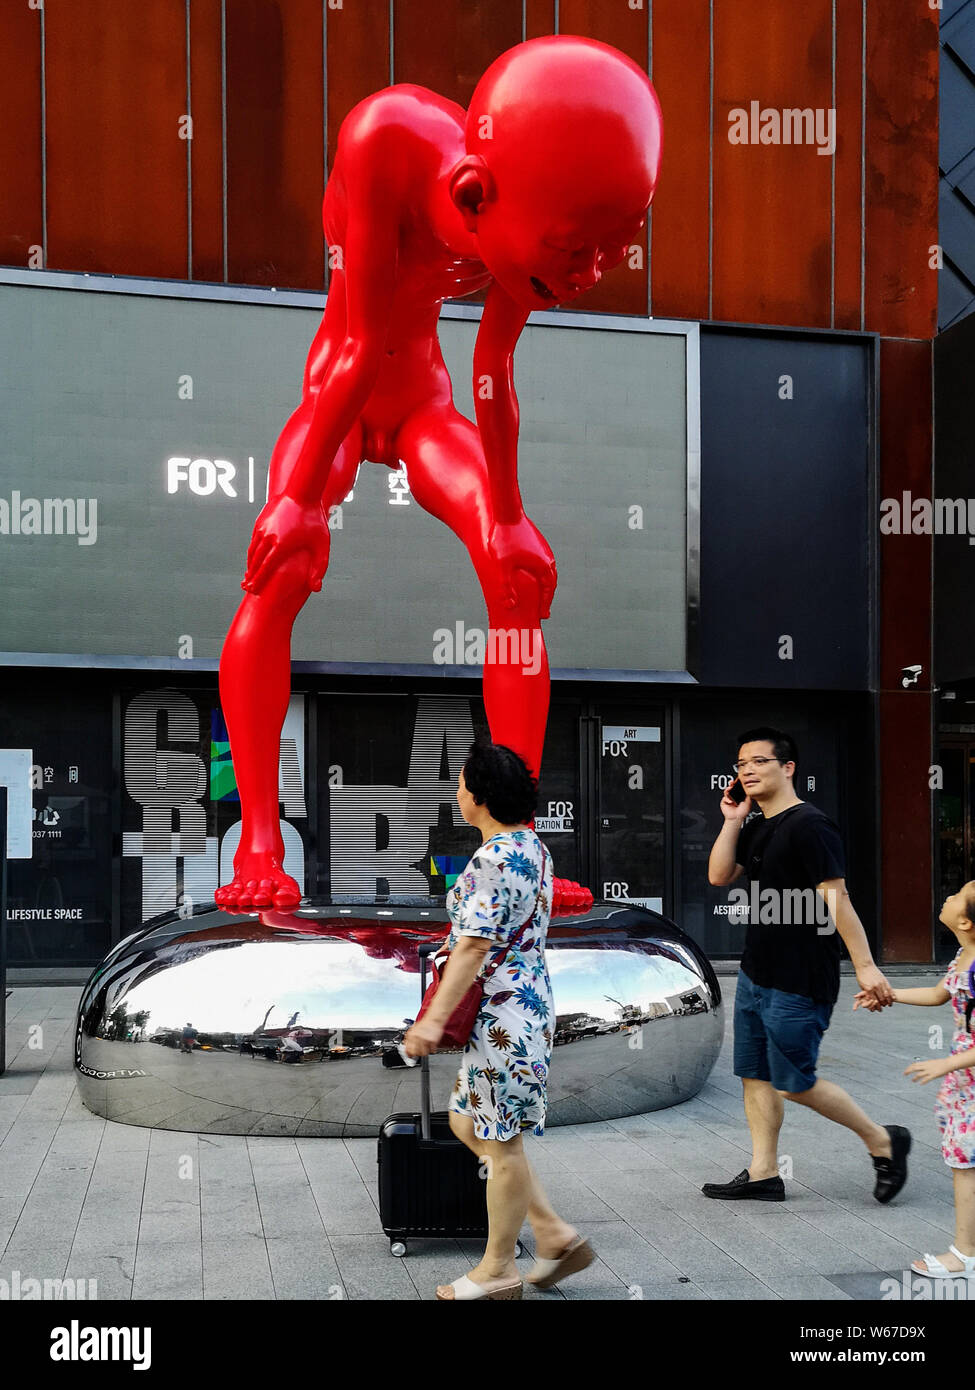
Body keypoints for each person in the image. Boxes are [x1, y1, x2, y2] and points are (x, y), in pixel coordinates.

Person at [214, 36, 661, 911]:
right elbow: (352, 344)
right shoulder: (385, 137)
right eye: (576, 249)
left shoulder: (528, 215)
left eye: (610, 249)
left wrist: (508, 517)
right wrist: (300, 499)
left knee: (514, 581)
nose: (585, 275)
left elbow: (492, 369)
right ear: (472, 194)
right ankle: (260, 843)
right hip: (338, 392)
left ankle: (516, 848)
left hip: (424, 403)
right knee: (279, 568)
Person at [403, 741, 593, 1300]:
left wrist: (430, 1023)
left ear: (479, 795)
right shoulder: (533, 847)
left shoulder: (490, 860)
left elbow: (472, 948)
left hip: (502, 1018)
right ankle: (554, 1233)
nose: (456, 792)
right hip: (525, 1005)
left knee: (501, 1143)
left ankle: (498, 1269)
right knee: (468, 1124)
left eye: (461, 782)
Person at [703, 727, 910, 1203]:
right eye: (741, 764)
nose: (747, 770)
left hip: (800, 976)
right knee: (754, 1073)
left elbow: (837, 899)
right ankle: (763, 1173)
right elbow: (718, 875)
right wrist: (733, 819)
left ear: (788, 767)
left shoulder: (810, 825)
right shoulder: (757, 825)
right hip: (757, 972)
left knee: (793, 1081)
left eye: (758, 761)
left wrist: (865, 965)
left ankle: (883, 1140)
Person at [854, 883, 975, 1276]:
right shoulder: (963, 957)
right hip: (965, 1080)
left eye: (957, 895)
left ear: (966, 921)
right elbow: (940, 995)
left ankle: (964, 1256)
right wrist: (889, 996)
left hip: (968, 1079)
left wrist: (946, 1064)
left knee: (965, 1165)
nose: (947, 896)